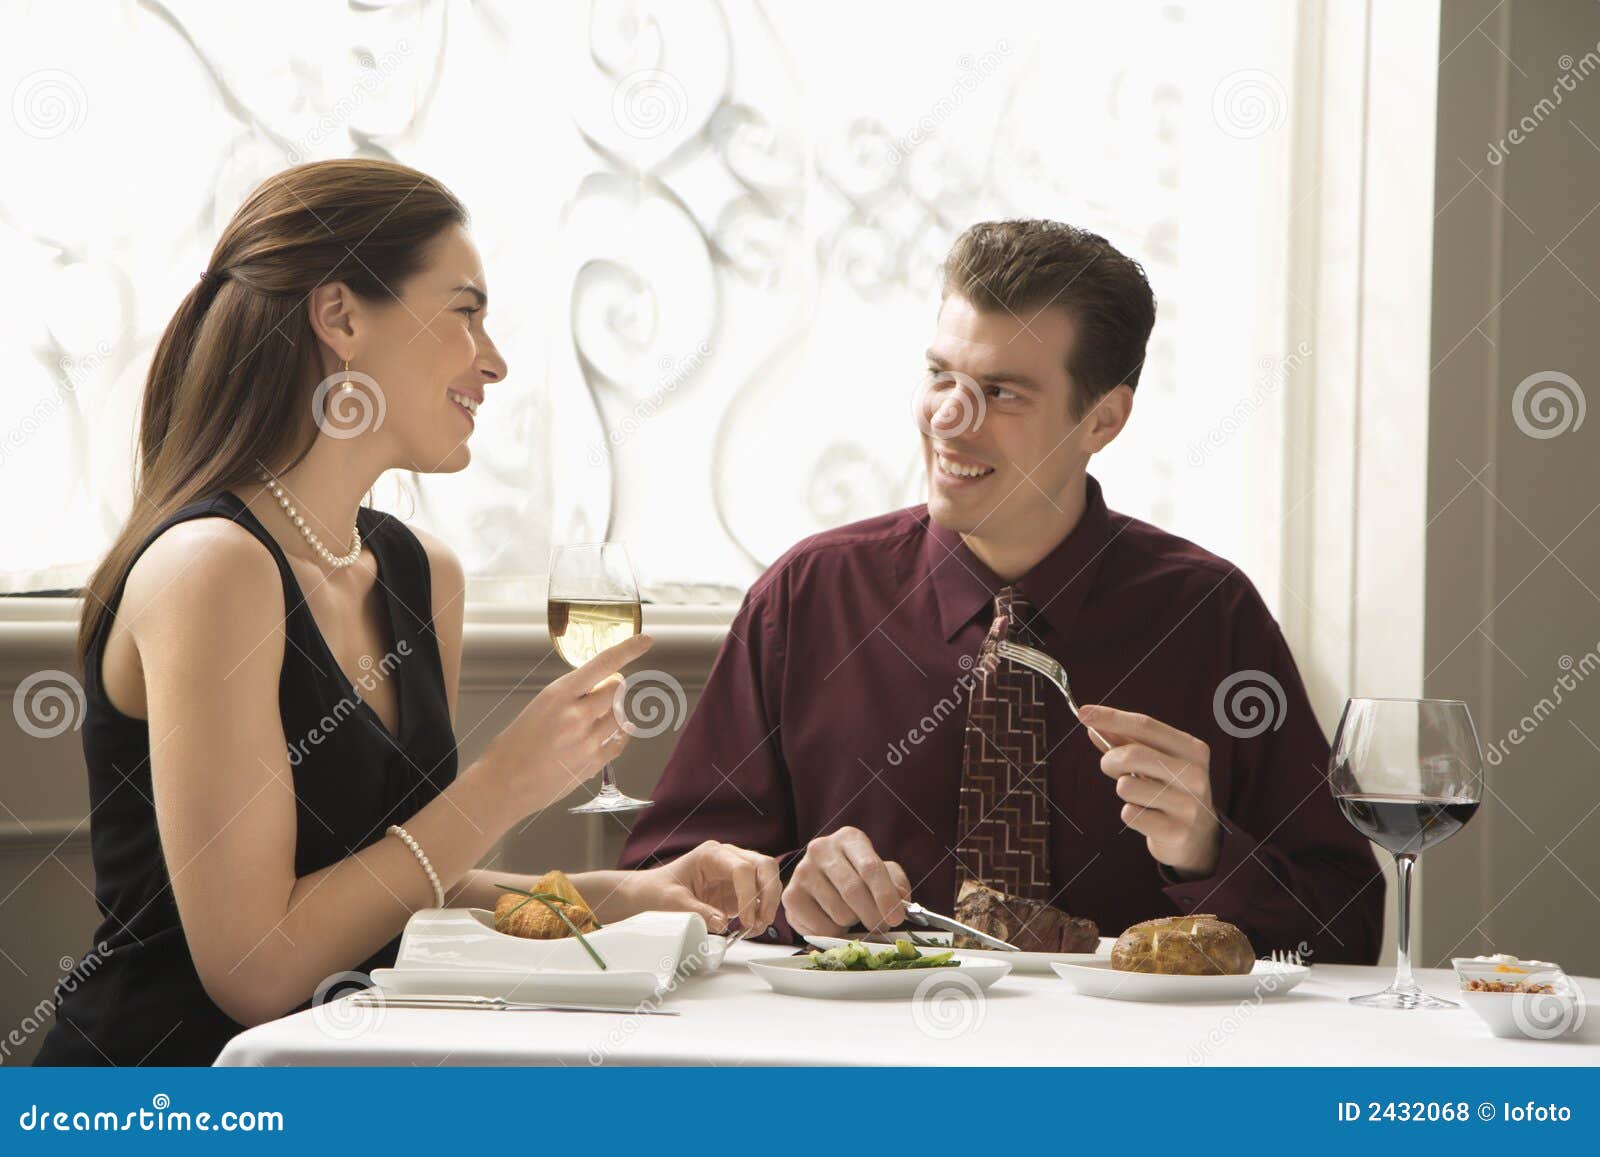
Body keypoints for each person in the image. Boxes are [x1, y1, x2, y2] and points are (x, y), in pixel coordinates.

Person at [35, 160, 778, 1067]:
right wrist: (504, 782)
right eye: (465, 312)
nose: (494, 361)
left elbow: (397, 887)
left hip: (340, 1076)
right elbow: (257, 968)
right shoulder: (212, 569)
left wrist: (624, 896)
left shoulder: (419, 573)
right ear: (342, 317)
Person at [620, 219, 1383, 963]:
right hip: (866, 1044)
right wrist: (790, 892)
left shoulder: (1211, 618)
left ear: (1103, 419)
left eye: (1002, 391)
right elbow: (658, 889)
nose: (950, 417)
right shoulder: (806, 600)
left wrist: (1208, 853)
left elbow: (1349, 928)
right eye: (940, 375)